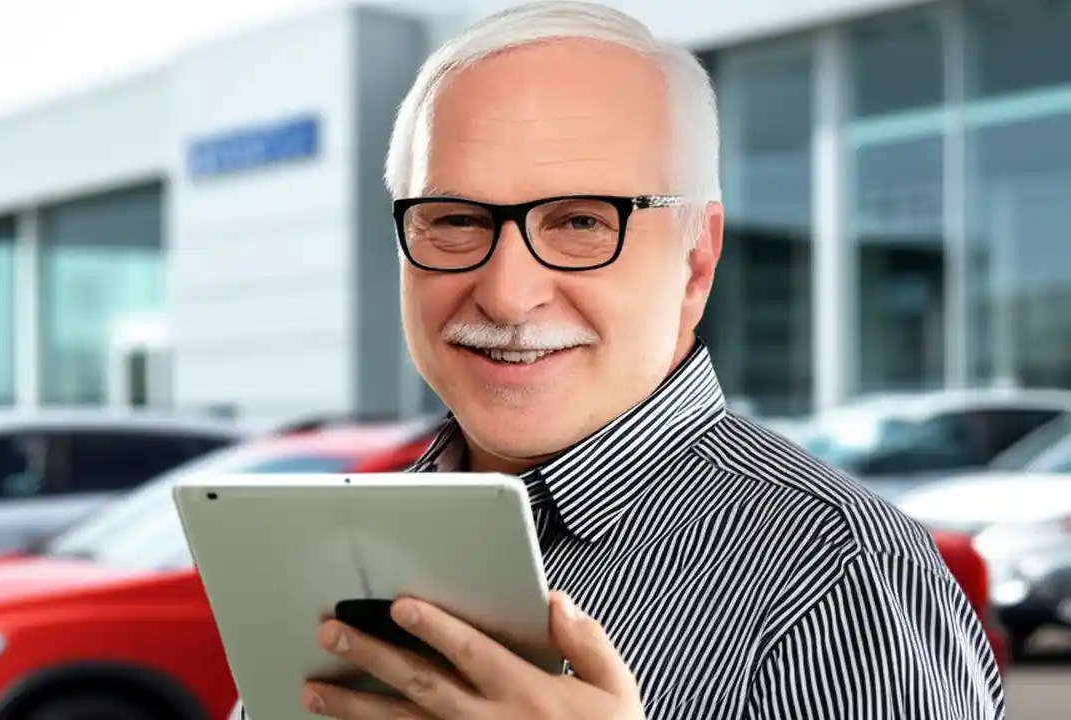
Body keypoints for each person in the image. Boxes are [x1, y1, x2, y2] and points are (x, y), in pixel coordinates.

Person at [299, 2, 1006, 718]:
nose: (509, 295)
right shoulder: (349, 543)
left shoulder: (839, 578)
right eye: (454, 220)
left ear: (696, 261)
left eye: (580, 222)